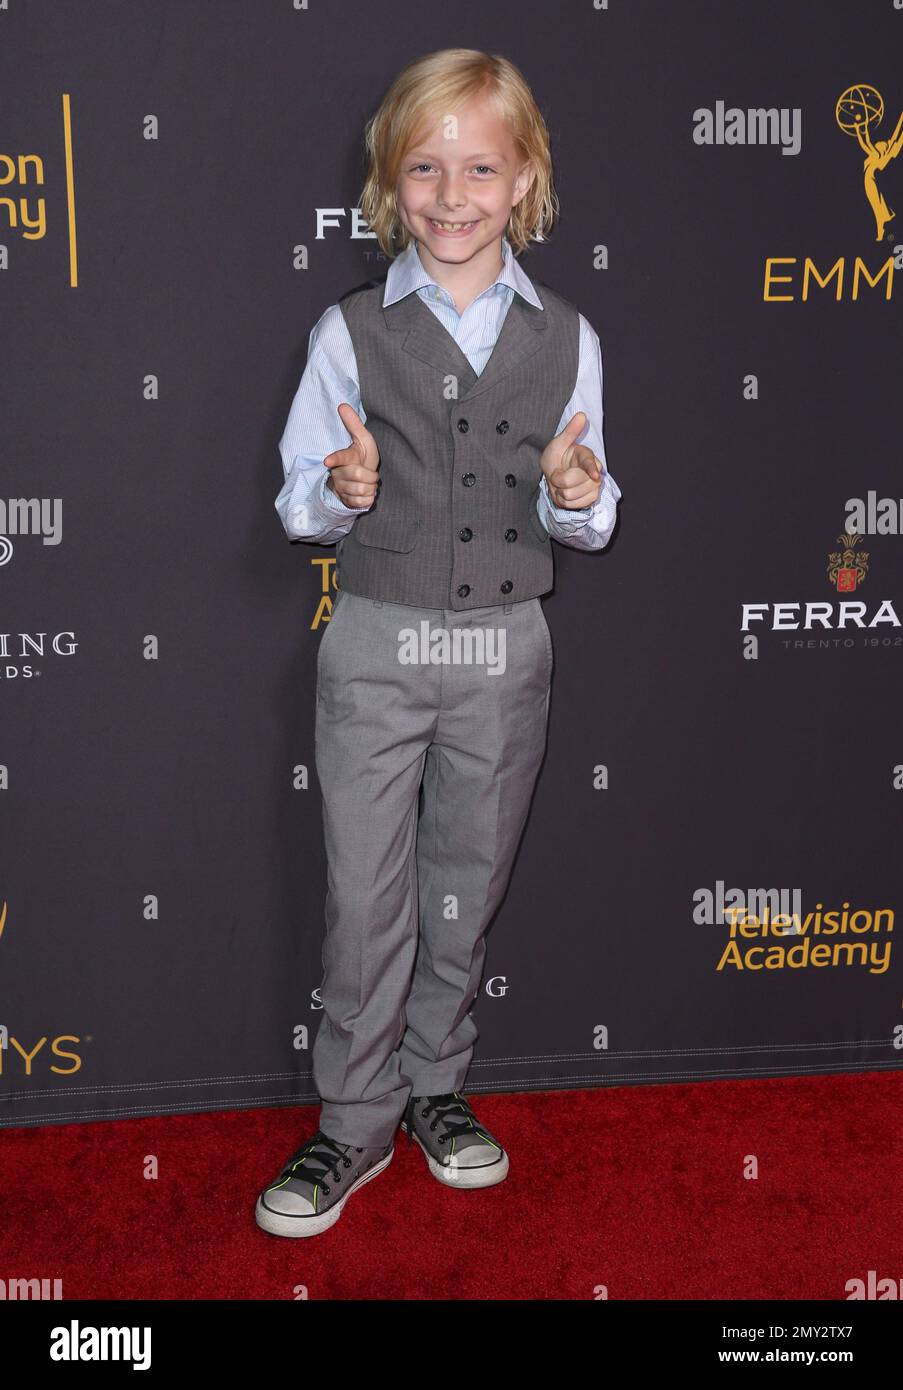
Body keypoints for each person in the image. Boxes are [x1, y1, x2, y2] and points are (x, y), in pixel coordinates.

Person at [257, 47, 622, 1238]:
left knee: (464, 886)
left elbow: (592, 514)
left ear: (524, 181)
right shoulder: (349, 330)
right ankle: (351, 1124)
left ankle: (436, 1090)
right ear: (389, 183)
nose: (451, 193)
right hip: (376, 636)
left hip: (507, 649)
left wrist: (575, 487)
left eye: (479, 166)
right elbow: (300, 508)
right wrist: (343, 487)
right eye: (425, 167)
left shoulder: (569, 335)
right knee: (366, 899)